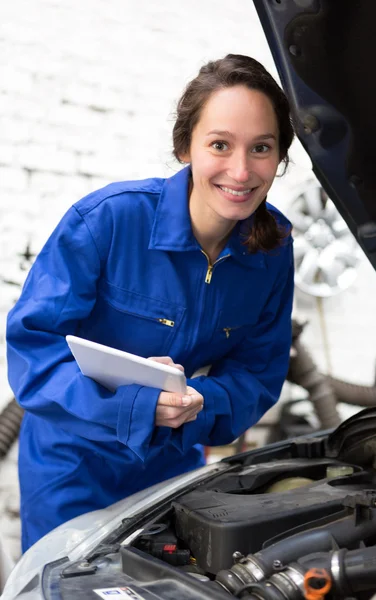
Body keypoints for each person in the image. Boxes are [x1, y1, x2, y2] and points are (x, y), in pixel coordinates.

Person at [7, 54, 295, 552]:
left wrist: (202, 405)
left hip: (172, 465)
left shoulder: (272, 249)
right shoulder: (107, 222)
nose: (242, 170)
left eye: (262, 148)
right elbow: (33, 354)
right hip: (73, 467)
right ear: (186, 147)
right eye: (220, 145)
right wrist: (136, 405)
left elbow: (258, 374)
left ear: (280, 156)